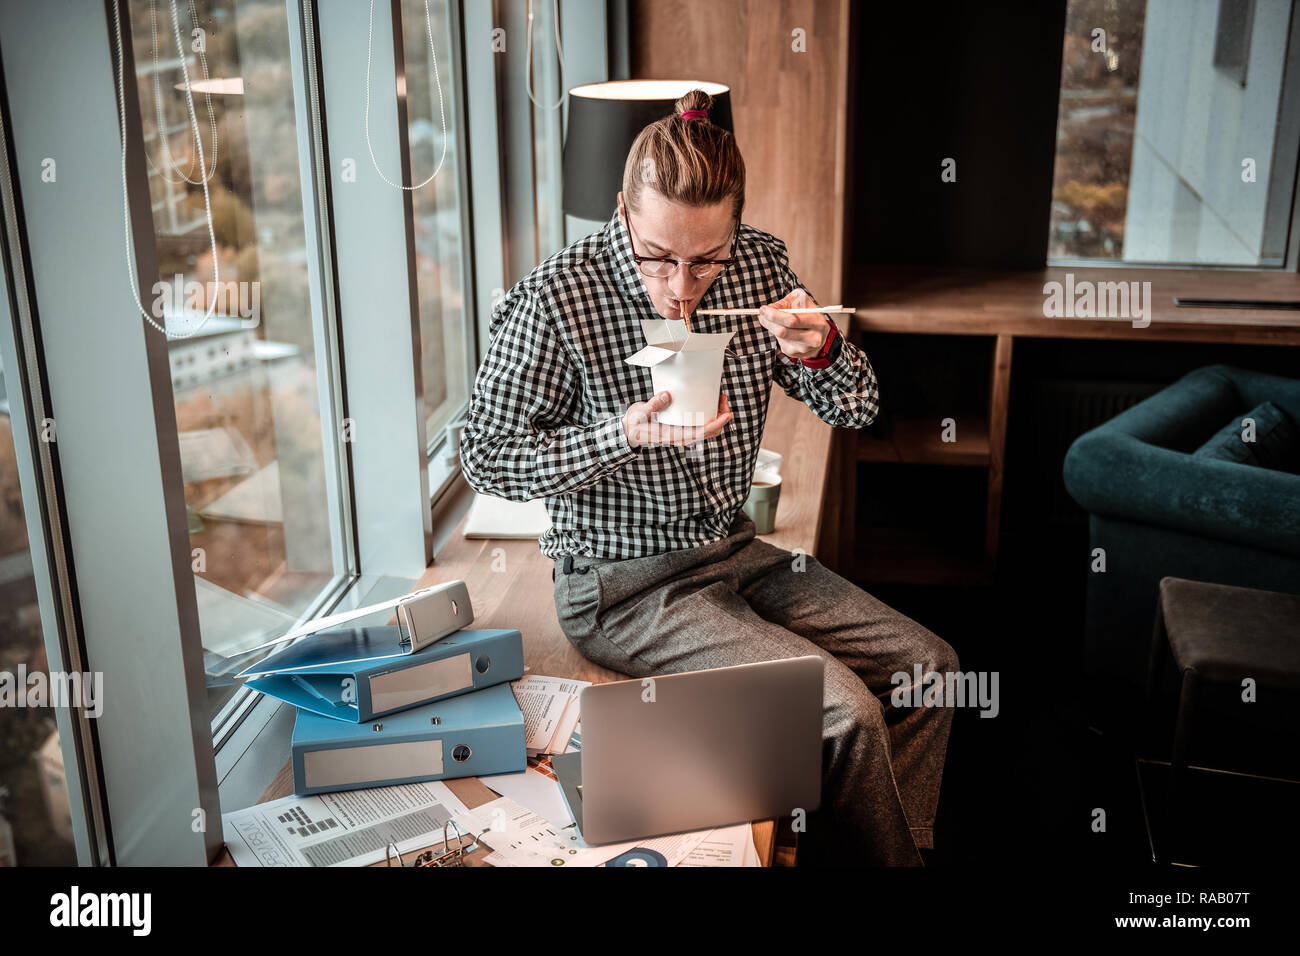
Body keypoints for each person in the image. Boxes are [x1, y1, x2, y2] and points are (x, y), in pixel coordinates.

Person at [460, 89, 958, 866]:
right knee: (846, 714)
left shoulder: (759, 266)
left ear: (737, 228)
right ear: (624, 212)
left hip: (735, 551)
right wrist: (620, 434)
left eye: (705, 260)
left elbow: (860, 409)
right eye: (659, 257)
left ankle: (890, 851)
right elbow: (484, 455)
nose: (683, 286)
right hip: (622, 587)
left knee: (933, 671)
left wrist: (822, 350)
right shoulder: (556, 300)